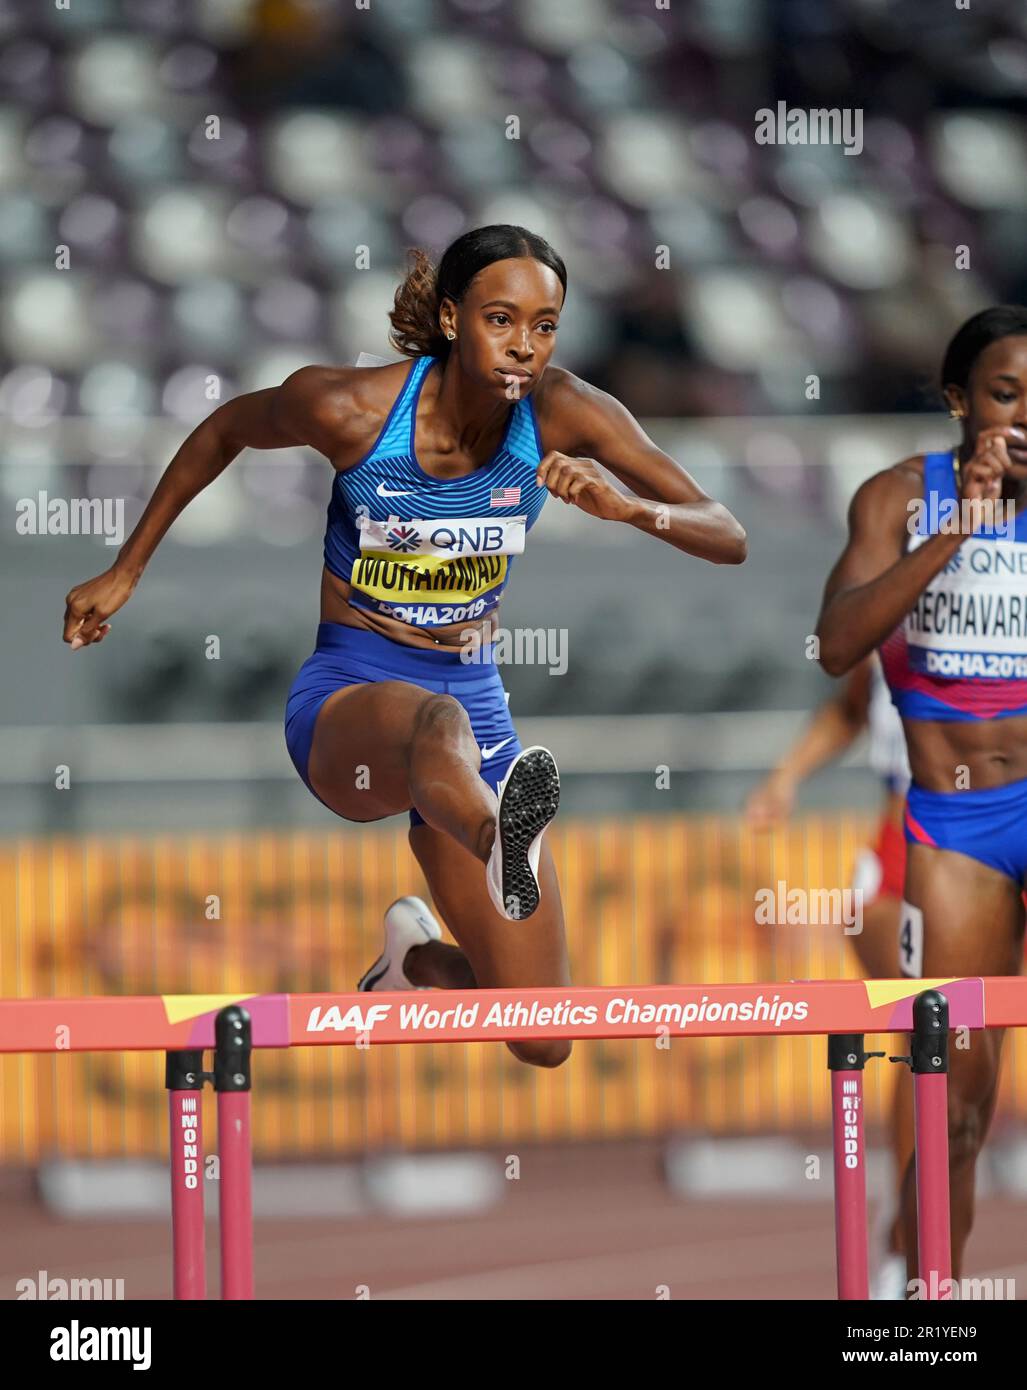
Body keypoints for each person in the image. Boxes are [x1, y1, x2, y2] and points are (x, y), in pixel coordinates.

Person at [62, 224, 747, 1070]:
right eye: (502, 320)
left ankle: (414, 957)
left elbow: (727, 533)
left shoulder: (567, 411)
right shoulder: (347, 407)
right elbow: (221, 432)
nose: (524, 348)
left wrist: (633, 509)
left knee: (545, 1037)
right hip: (352, 697)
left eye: (544, 326)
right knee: (435, 726)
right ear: (455, 319)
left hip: (475, 703)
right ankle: (502, 841)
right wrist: (127, 570)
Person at [815, 304, 1027, 1288]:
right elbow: (837, 643)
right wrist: (956, 532)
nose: (1024, 415)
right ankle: (922, 1297)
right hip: (959, 824)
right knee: (957, 1104)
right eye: (1003, 393)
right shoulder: (898, 498)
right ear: (956, 400)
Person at [745, 655, 913, 1298]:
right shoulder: (885, 612)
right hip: (908, 850)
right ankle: (907, 1247)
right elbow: (848, 707)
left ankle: (918, 1236)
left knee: (970, 1066)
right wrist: (785, 778)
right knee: (934, 1025)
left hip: (1001, 829)